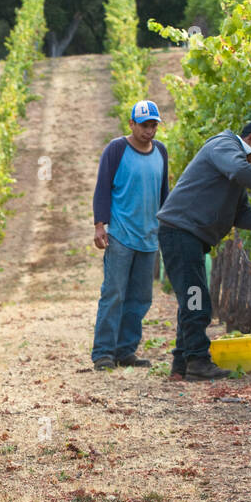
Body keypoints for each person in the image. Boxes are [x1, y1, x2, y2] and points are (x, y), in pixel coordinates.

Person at [157, 120, 251, 381]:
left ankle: (182, 365)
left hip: (187, 236)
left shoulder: (234, 172)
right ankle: (197, 362)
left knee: (192, 300)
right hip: (180, 233)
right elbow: (239, 170)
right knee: (196, 300)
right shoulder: (223, 146)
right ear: (250, 138)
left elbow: (243, 217)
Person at [91, 100, 169, 370]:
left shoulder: (161, 151)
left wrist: (167, 227)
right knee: (114, 293)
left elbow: (164, 193)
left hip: (149, 237)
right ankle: (103, 353)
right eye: (144, 125)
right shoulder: (116, 149)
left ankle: (126, 351)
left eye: (153, 126)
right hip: (122, 235)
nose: (149, 131)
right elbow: (102, 187)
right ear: (132, 124)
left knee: (140, 297)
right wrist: (100, 224)